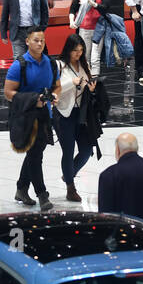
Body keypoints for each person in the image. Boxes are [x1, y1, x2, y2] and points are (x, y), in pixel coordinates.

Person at [5, 29, 59, 212]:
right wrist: (32, 99)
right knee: (36, 156)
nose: (40, 44)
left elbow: (56, 87)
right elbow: (8, 93)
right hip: (25, 117)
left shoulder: (51, 63)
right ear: (27, 41)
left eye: (42, 40)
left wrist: (54, 96)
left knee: (35, 154)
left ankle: (21, 188)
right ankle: (42, 194)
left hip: (45, 115)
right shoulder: (18, 65)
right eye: (36, 40)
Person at [52, 34, 97, 203]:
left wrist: (91, 88)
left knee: (86, 150)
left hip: (82, 113)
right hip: (64, 113)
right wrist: (73, 82)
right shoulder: (59, 65)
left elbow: (85, 84)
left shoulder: (83, 64)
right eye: (75, 51)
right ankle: (70, 188)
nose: (78, 54)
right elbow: (55, 88)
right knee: (68, 150)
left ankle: (69, 174)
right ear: (68, 50)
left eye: (81, 51)